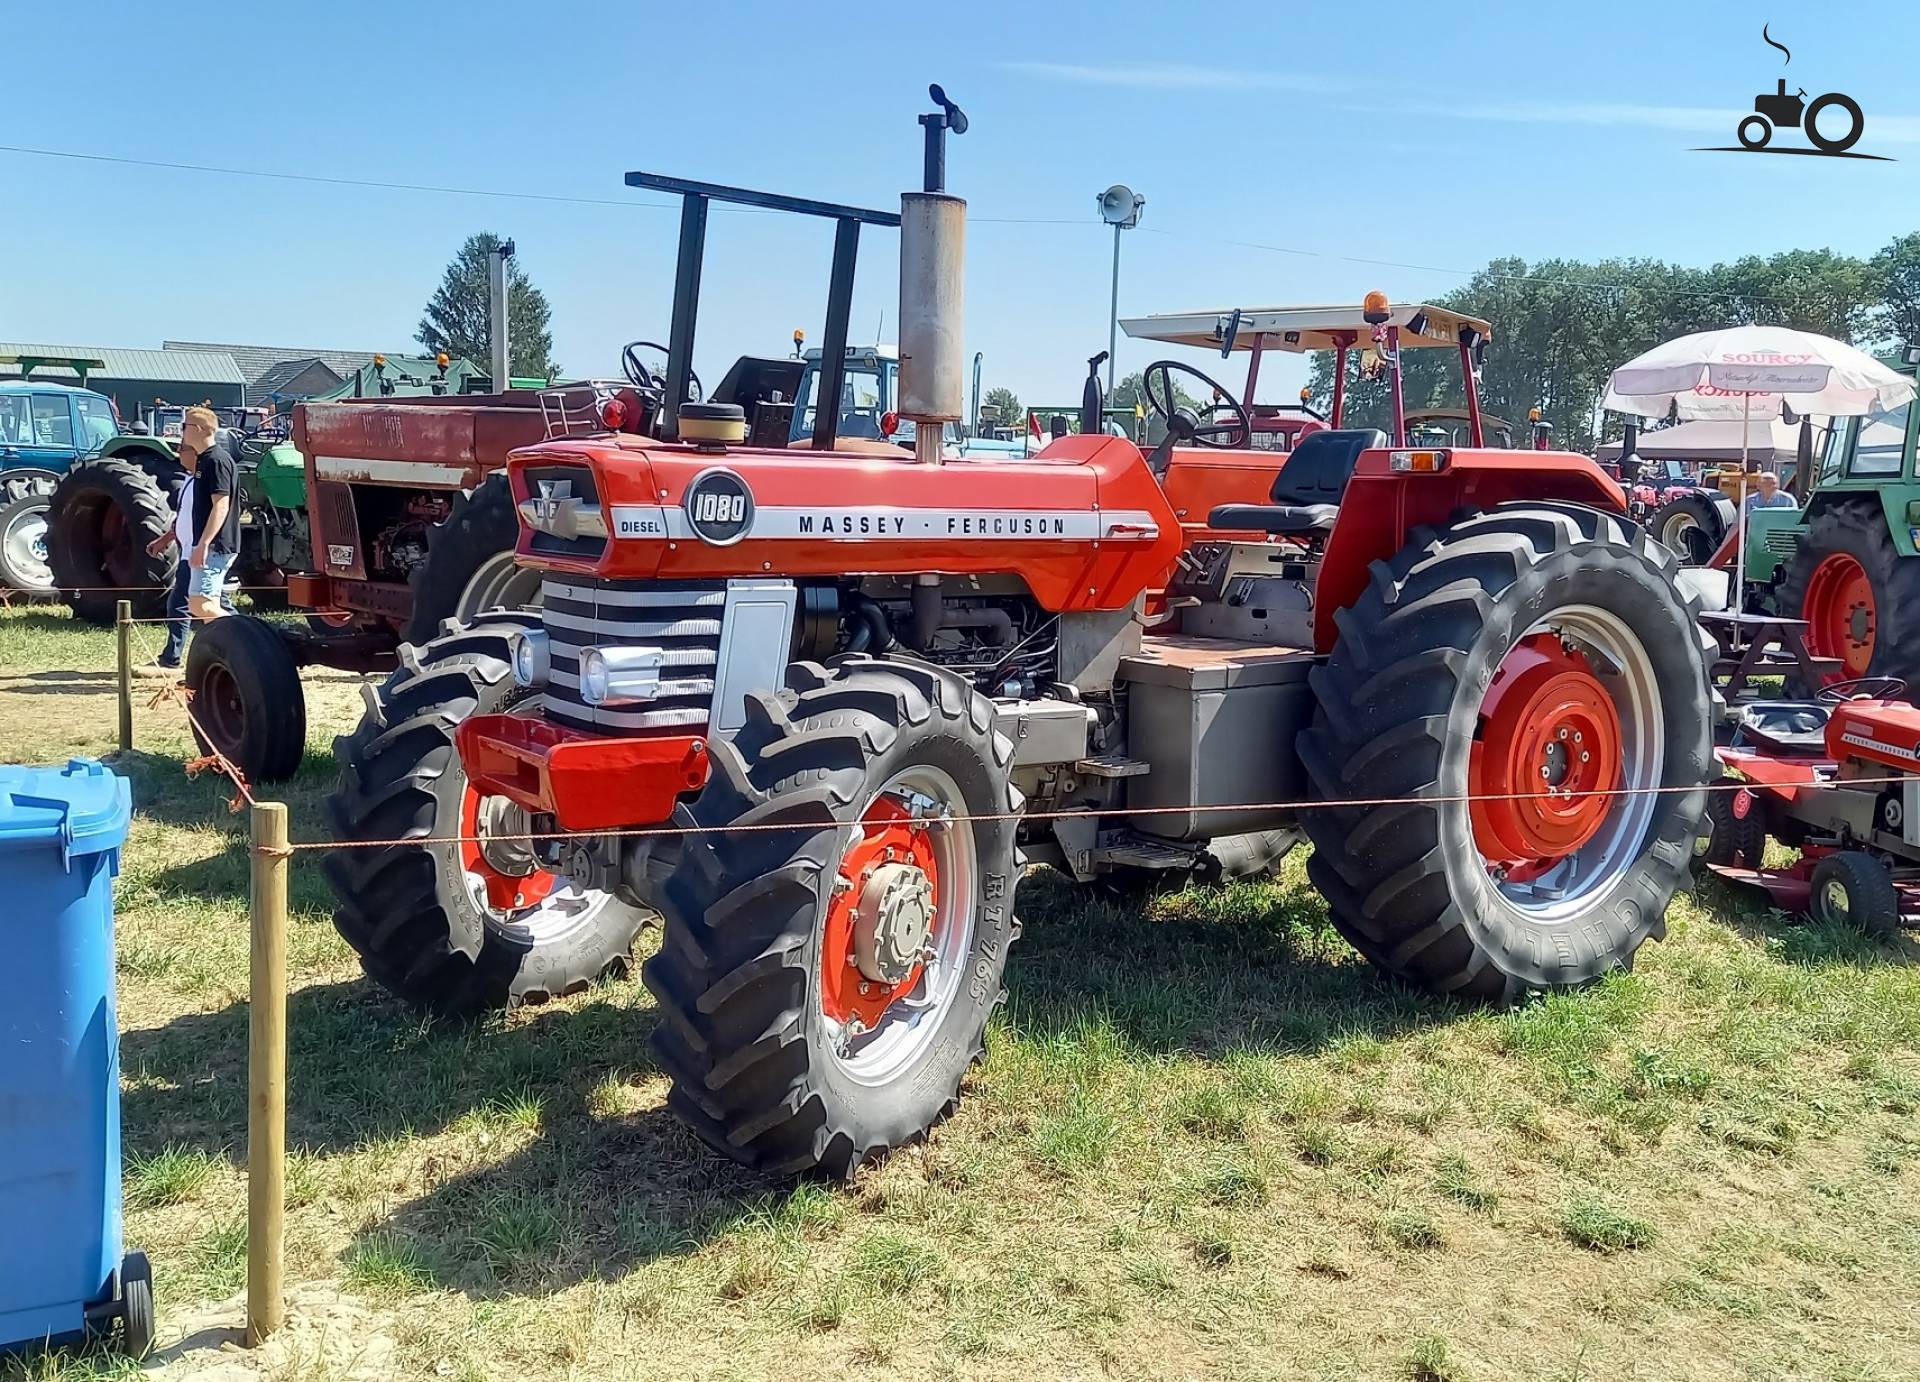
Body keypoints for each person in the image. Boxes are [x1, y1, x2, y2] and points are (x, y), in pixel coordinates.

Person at [143, 406, 238, 672]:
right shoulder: (204, 463)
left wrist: (204, 544)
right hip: (201, 547)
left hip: (213, 547)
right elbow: (191, 515)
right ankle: (234, 655)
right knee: (204, 603)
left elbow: (221, 506)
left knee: (201, 603)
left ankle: (250, 643)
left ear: (198, 430)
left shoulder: (215, 461)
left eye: (184, 427)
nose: (181, 434)